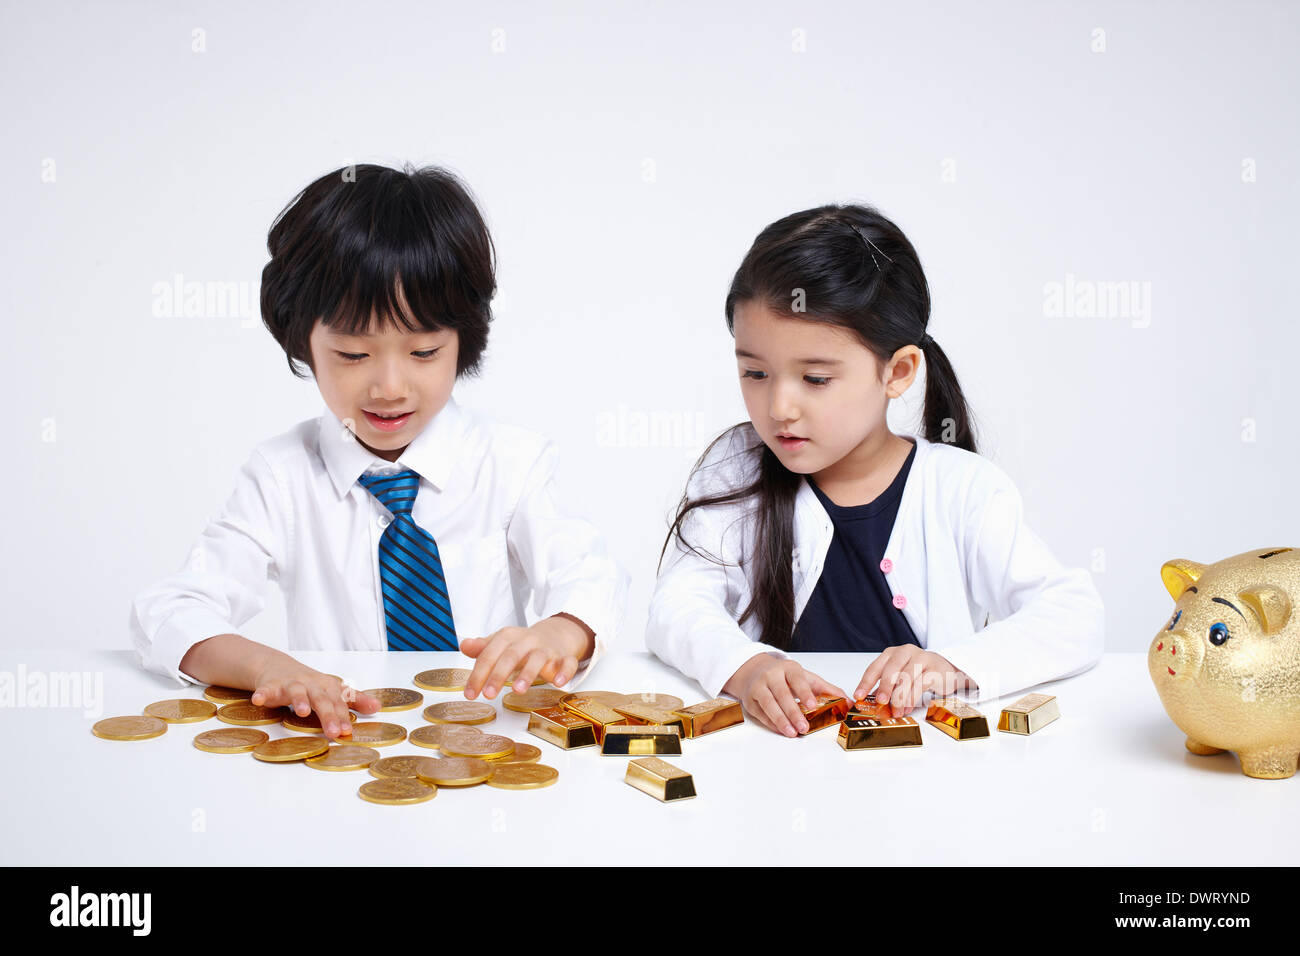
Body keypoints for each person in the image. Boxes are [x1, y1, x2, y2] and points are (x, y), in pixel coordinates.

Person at [130, 163, 628, 740]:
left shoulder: (512, 462)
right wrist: (268, 666)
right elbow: (167, 612)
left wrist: (561, 633)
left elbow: (591, 573)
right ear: (304, 341)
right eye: (352, 354)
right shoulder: (282, 476)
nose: (390, 387)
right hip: (343, 748)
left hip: (489, 744)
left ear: (463, 341)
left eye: (423, 352)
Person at [645, 203, 1104, 737]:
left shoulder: (961, 489)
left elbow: (1074, 615)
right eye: (755, 371)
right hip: (772, 764)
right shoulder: (737, 469)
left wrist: (952, 665)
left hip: (923, 769)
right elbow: (677, 606)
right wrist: (747, 669)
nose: (779, 407)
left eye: (815, 378)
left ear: (898, 371)